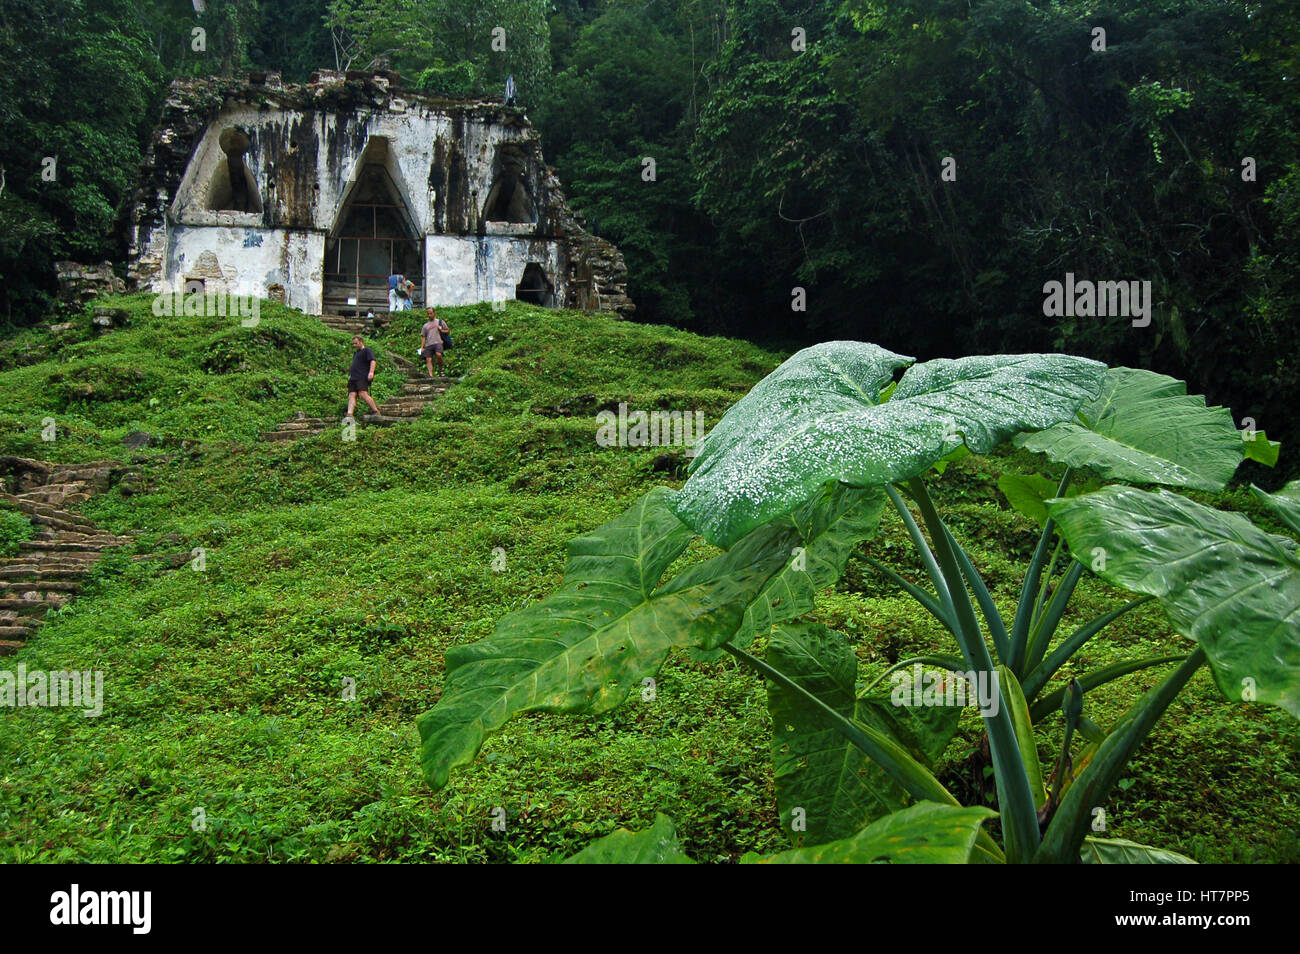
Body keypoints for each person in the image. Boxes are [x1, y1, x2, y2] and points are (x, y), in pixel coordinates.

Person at [344, 335, 380, 421]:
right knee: (352, 394)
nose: (354, 345)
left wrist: (371, 372)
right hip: (353, 377)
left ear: (361, 342)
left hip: (362, 376)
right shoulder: (356, 353)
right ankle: (350, 413)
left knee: (363, 393)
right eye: (353, 344)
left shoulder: (367, 350)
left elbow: (373, 360)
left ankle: (375, 410)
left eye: (356, 343)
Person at [420, 307, 450, 376]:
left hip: (438, 342)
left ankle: (441, 370)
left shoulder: (440, 322)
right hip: (429, 344)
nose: (429, 315)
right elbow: (424, 337)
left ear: (434, 313)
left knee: (438, 355)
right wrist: (422, 347)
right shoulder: (425, 326)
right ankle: (430, 375)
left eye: (431, 313)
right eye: (428, 314)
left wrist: (441, 330)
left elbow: (448, 331)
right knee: (428, 359)